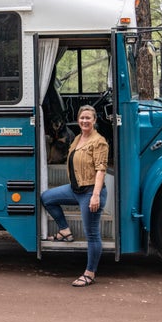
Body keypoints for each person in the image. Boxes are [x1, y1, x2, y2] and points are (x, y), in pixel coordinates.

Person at [41, 105, 108, 288]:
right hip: (75, 189)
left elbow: (101, 170)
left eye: (88, 118)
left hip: (90, 192)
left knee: (92, 235)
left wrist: (95, 196)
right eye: (82, 118)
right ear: (78, 120)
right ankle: (65, 231)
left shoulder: (98, 141)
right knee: (47, 198)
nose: (85, 121)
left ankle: (89, 273)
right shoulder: (78, 138)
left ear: (94, 120)